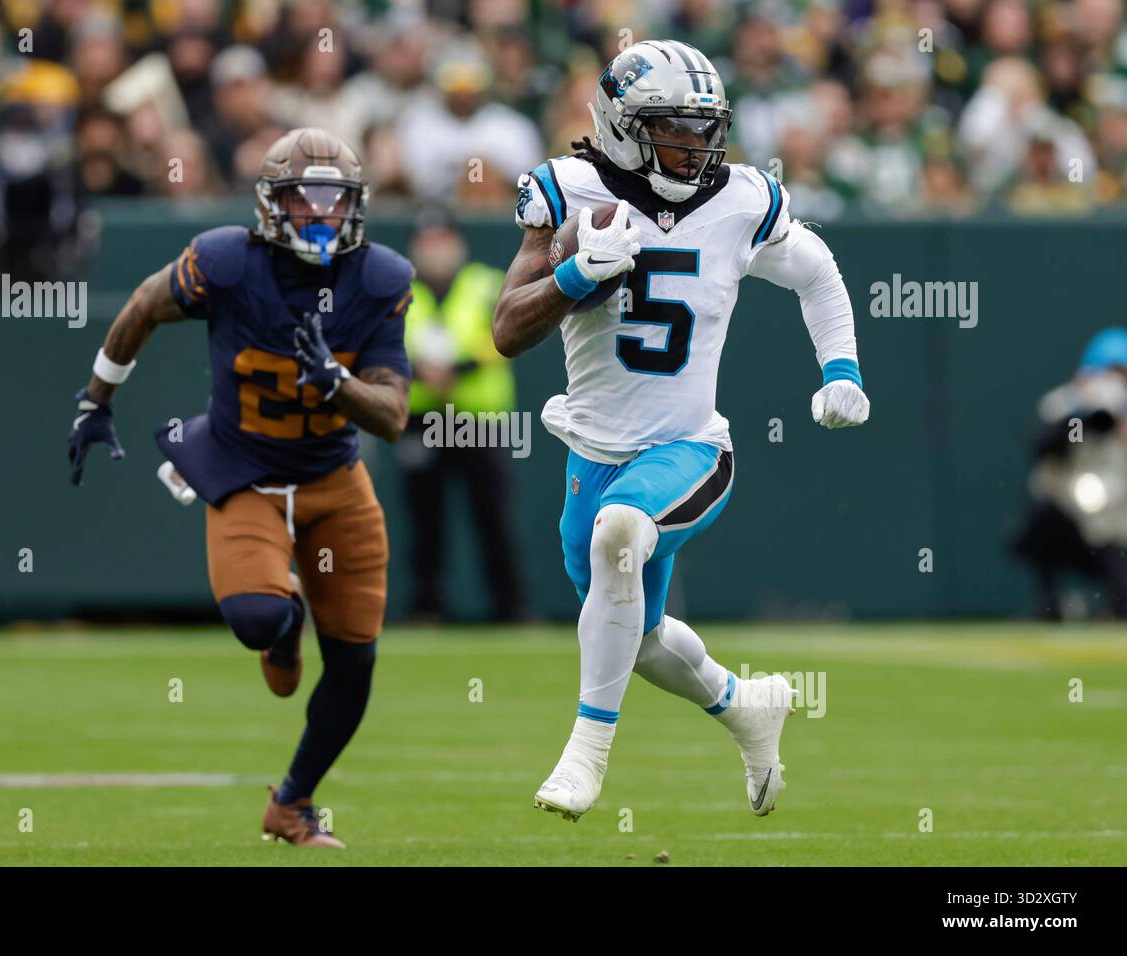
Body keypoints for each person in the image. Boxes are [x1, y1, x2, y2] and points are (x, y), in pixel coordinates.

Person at [492, 41, 870, 822]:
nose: (695, 148)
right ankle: (745, 706)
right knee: (643, 634)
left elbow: (817, 271)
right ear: (623, 126)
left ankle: (586, 753)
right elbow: (506, 329)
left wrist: (842, 371)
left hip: (691, 449)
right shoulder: (569, 189)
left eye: (706, 130)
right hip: (592, 453)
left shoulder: (740, 199)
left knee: (621, 533)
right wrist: (574, 274)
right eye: (674, 129)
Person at [66, 129, 414, 848]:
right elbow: (143, 307)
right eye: (304, 200)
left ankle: (292, 803)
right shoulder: (226, 262)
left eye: (335, 202)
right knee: (258, 616)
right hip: (246, 471)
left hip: (333, 479)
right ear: (270, 204)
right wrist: (96, 400)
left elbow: (393, 415)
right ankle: (285, 632)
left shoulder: (379, 278)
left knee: (355, 663)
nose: (321, 216)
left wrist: (339, 384)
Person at [400, 207, 523, 621]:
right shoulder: (400, 293)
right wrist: (422, 371)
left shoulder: (485, 284)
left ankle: (511, 608)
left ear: (459, 245)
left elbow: (502, 335)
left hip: (476, 420)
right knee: (424, 519)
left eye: (442, 242)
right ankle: (428, 608)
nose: (435, 251)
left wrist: (455, 369)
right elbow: (386, 345)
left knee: (492, 517)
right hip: (422, 418)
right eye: (427, 243)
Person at [1013, 328, 1127, 618]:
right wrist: (1082, 416)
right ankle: (1049, 605)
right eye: (1107, 373)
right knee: (1041, 519)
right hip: (1067, 518)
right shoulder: (1064, 404)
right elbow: (1042, 446)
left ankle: (1115, 609)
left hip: (1115, 527)